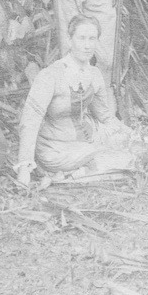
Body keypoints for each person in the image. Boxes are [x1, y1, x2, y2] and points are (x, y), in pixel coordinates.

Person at [15, 16, 135, 186]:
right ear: (69, 40)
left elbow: (104, 116)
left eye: (92, 39)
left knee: (135, 150)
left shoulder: (94, 74)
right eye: (81, 38)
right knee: (124, 160)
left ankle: (85, 168)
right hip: (56, 147)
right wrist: (24, 167)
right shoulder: (50, 75)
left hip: (89, 138)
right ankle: (80, 170)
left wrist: (130, 133)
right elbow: (30, 121)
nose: (87, 45)